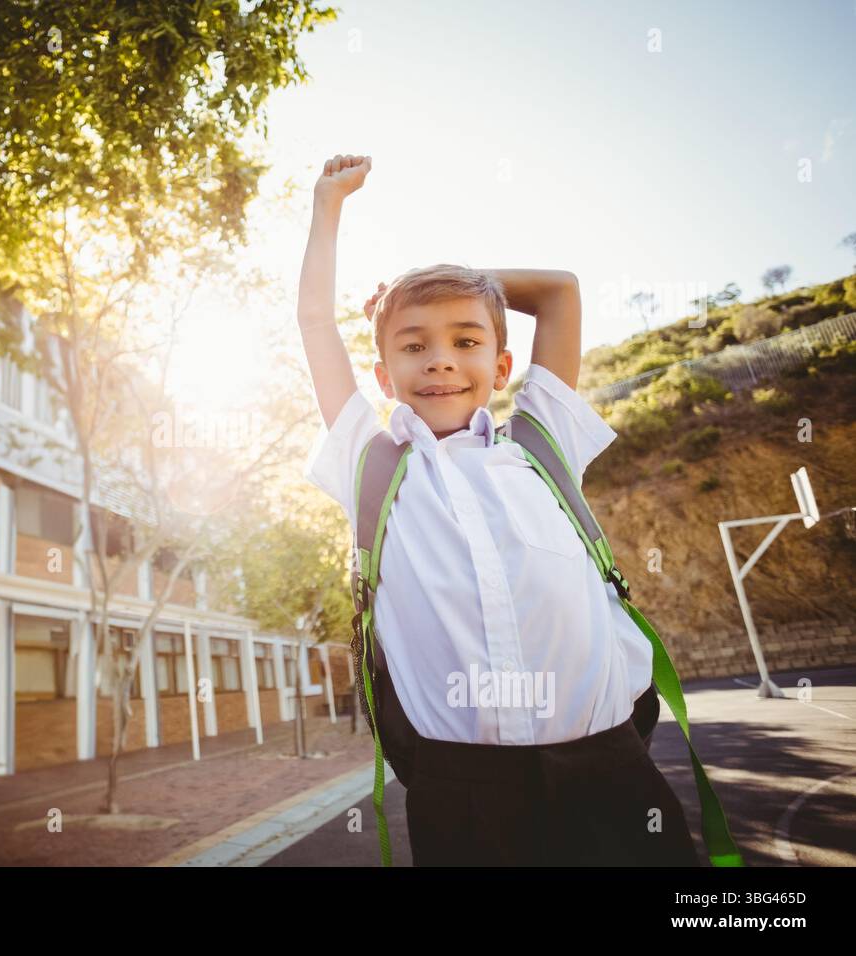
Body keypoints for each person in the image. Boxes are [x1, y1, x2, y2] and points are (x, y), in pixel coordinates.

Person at [296, 153, 698, 866]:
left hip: (608, 768)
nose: (441, 360)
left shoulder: (542, 443)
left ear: (502, 369)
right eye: (414, 346)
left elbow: (560, 292)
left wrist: (466, 284)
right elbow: (315, 325)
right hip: (463, 791)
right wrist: (328, 207)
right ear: (386, 377)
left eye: (466, 341)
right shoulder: (375, 464)